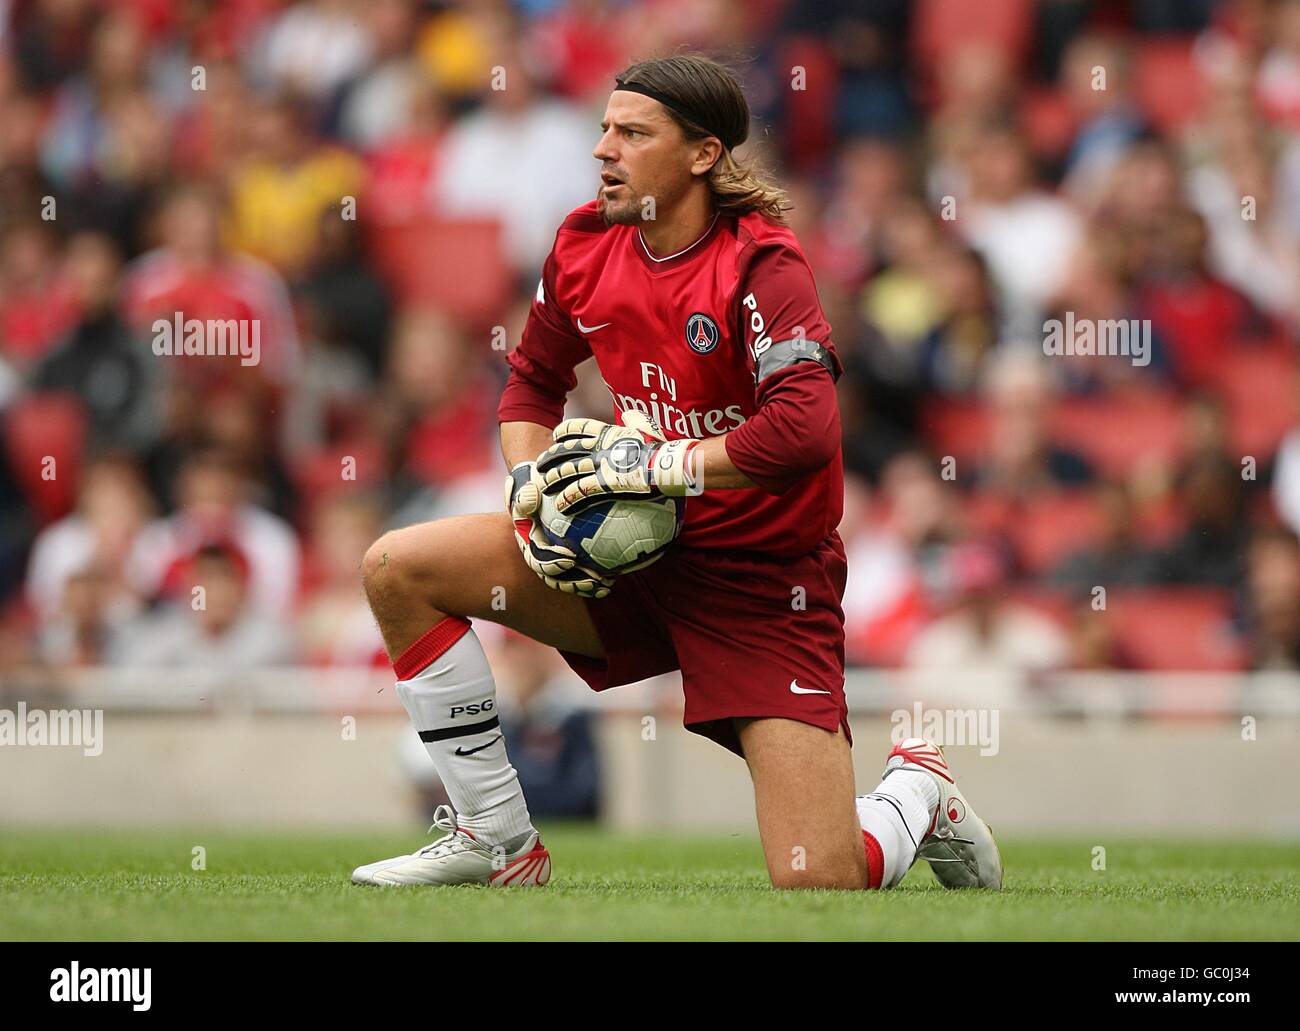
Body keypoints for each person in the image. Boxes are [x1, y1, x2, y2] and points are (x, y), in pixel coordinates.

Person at [351, 54, 1001, 892]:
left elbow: (804, 430)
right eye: (602, 130)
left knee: (819, 879)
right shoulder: (584, 243)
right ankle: (495, 838)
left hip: (764, 586)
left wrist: (660, 465)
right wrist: (526, 487)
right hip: (632, 560)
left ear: (702, 154)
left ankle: (917, 790)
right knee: (396, 567)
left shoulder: (765, 263)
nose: (603, 151)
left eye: (631, 133)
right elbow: (530, 385)